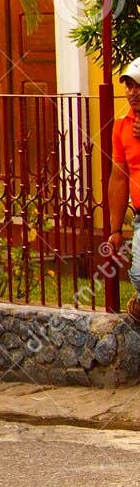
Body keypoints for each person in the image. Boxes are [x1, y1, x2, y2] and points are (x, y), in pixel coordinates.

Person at [105, 57, 140, 323]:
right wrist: (115, 229)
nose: (132, 91)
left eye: (138, 85)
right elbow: (119, 177)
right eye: (128, 85)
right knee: (138, 274)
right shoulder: (122, 125)